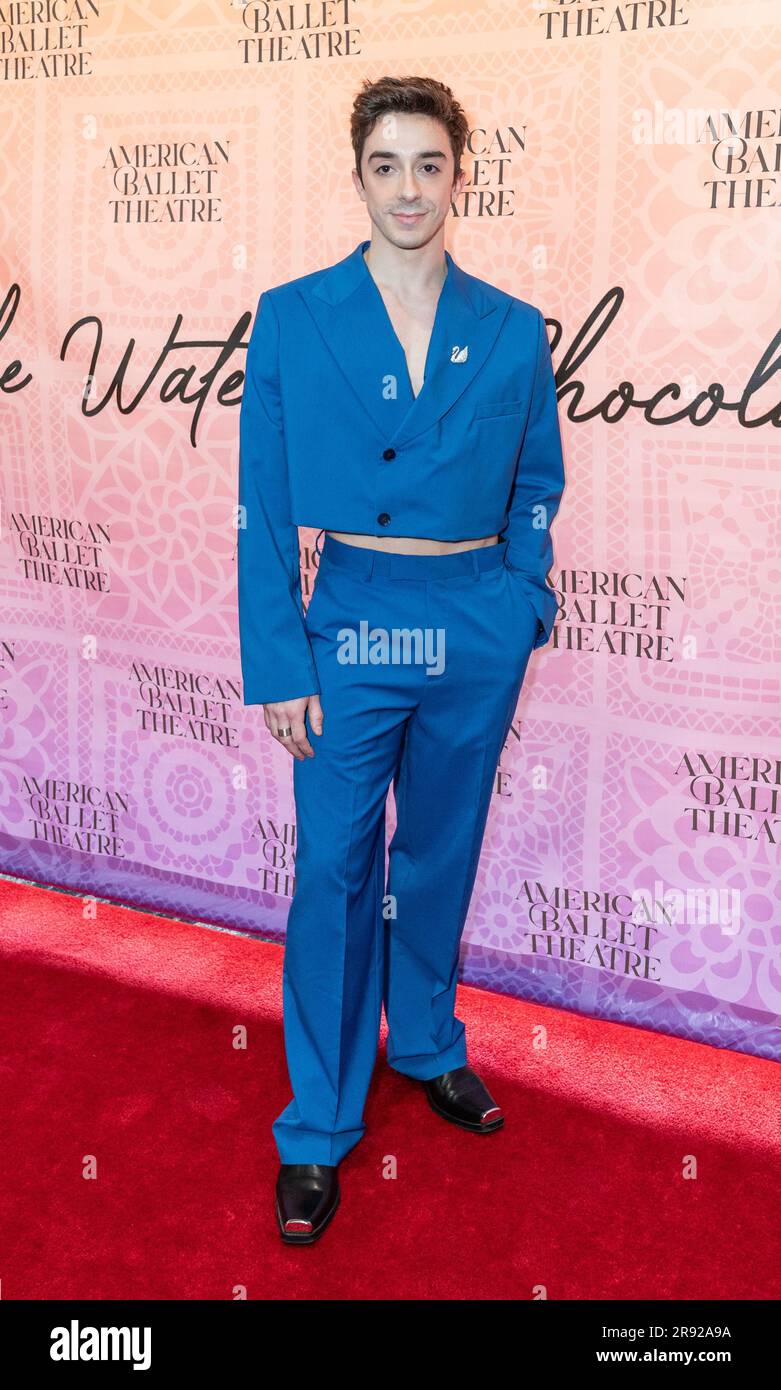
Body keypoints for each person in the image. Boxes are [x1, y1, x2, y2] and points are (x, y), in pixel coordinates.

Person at [237, 74, 566, 1244]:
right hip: (356, 611)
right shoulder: (294, 314)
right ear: (359, 175)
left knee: (439, 851)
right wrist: (279, 661)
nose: (410, 187)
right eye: (387, 165)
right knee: (332, 862)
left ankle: (426, 1042)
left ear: (460, 173)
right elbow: (265, 505)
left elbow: (538, 481)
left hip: (474, 613)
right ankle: (318, 1123)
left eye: (430, 163)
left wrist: (521, 598)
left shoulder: (514, 327)